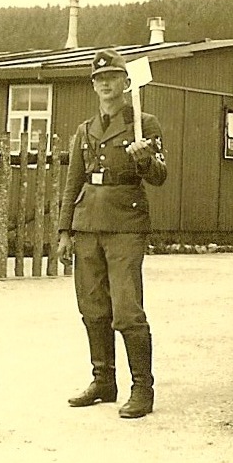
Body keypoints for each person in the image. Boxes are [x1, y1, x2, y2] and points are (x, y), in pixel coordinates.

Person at [57, 48, 167, 419]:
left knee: (126, 308)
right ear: (94, 86)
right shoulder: (84, 131)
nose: (106, 84)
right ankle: (104, 381)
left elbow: (159, 176)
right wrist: (63, 230)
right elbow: (73, 182)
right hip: (87, 224)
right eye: (99, 79)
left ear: (125, 82)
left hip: (125, 225)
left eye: (112, 78)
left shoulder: (143, 123)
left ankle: (142, 389)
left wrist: (144, 159)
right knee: (92, 307)